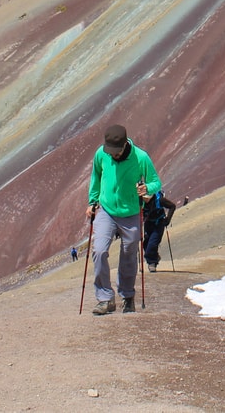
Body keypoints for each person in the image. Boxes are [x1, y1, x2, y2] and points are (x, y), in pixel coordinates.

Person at [86, 124, 161, 315]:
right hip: (106, 210)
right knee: (100, 250)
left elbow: (155, 181)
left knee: (129, 253)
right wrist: (92, 201)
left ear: (124, 145)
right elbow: (96, 176)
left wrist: (147, 189)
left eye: (115, 152)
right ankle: (105, 299)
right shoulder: (101, 154)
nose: (112, 155)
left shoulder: (140, 157)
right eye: (109, 151)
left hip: (131, 212)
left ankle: (127, 296)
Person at [142, 192, 176, 272]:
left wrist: (167, 219)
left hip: (159, 223)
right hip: (148, 223)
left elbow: (172, 206)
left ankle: (152, 263)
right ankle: (155, 257)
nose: (145, 199)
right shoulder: (140, 201)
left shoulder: (160, 200)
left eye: (147, 197)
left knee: (153, 243)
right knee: (146, 244)